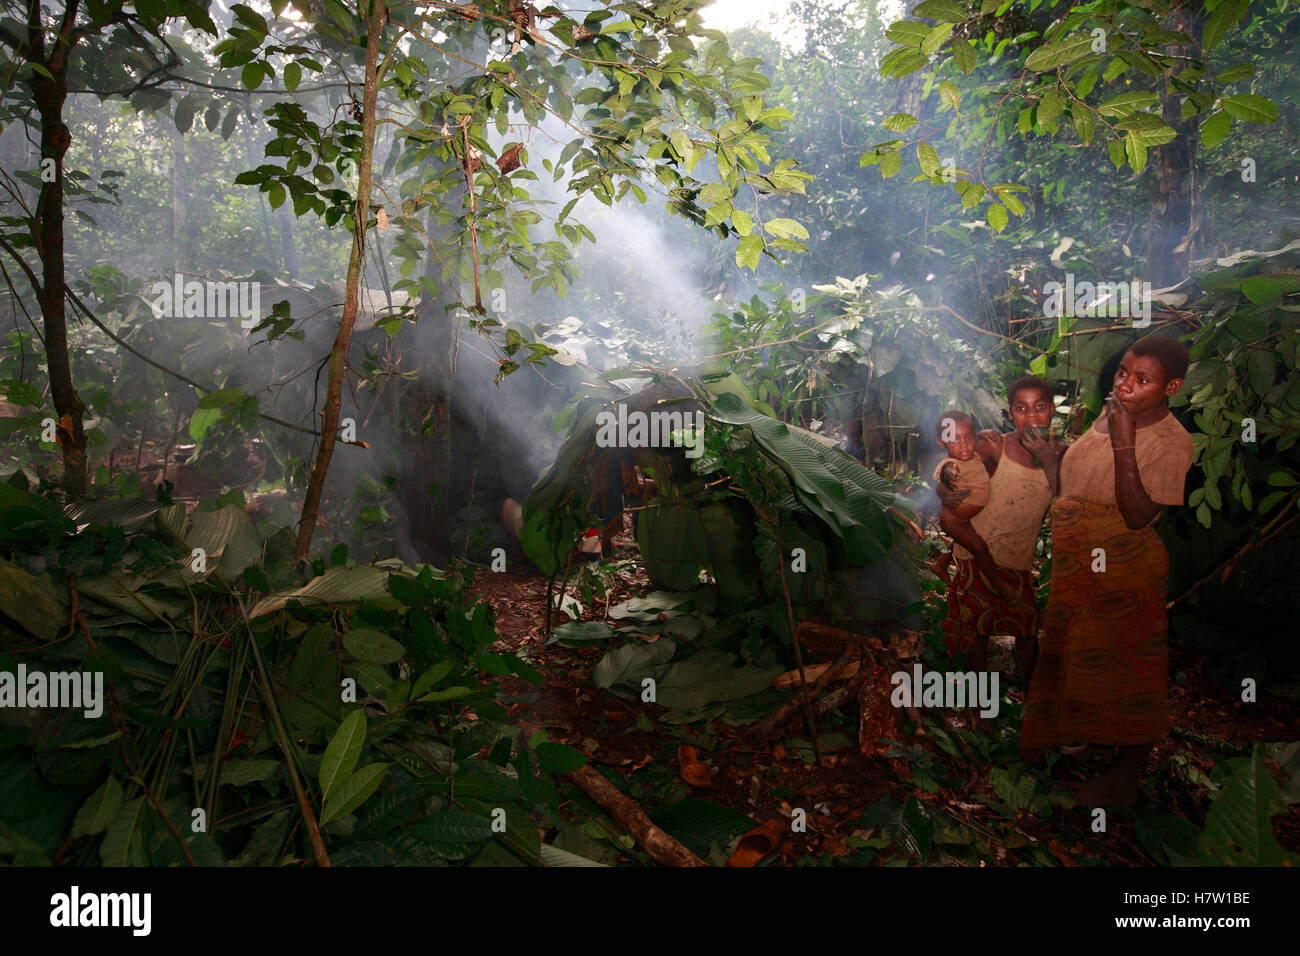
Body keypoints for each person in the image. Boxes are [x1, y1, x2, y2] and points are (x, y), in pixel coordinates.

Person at [1020, 338, 1193, 807]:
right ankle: (1074, 738)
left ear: (1171, 386)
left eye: (1143, 380)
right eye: (1122, 373)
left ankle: (1123, 777)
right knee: (1075, 653)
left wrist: (1124, 439)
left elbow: (1138, 515)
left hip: (1126, 567)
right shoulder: (1105, 418)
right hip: (1080, 564)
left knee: (1129, 666)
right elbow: (1074, 490)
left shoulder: (1173, 441)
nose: (1126, 385)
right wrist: (1054, 463)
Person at [936, 377, 1060, 682]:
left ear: (1052, 410)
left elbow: (1065, 499)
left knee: (1026, 632)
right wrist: (942, 490)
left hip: (1017, 559)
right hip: (976, 553)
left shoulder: (1065, 454)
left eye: (1040, 407)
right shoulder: (993, 445)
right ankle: (978, 710)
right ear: (1010, 413)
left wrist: (1046, 458)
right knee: (976, 634)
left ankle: (1031, 704)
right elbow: (952, 465)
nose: (1031, 416)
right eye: (1021, 408)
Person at [931, 410, 1009, 601]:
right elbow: (945, 475)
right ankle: (997, 582)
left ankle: (940, 565)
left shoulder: (973, 456)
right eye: (955, 440)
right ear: (941, 443)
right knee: (979, 548)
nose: (964, 445)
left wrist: (982, 434)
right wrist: (949, 476)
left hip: (966, 517)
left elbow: (980, 447)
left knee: (963, 541)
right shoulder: (950, 464)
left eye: (968, 437)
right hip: (954, 520)